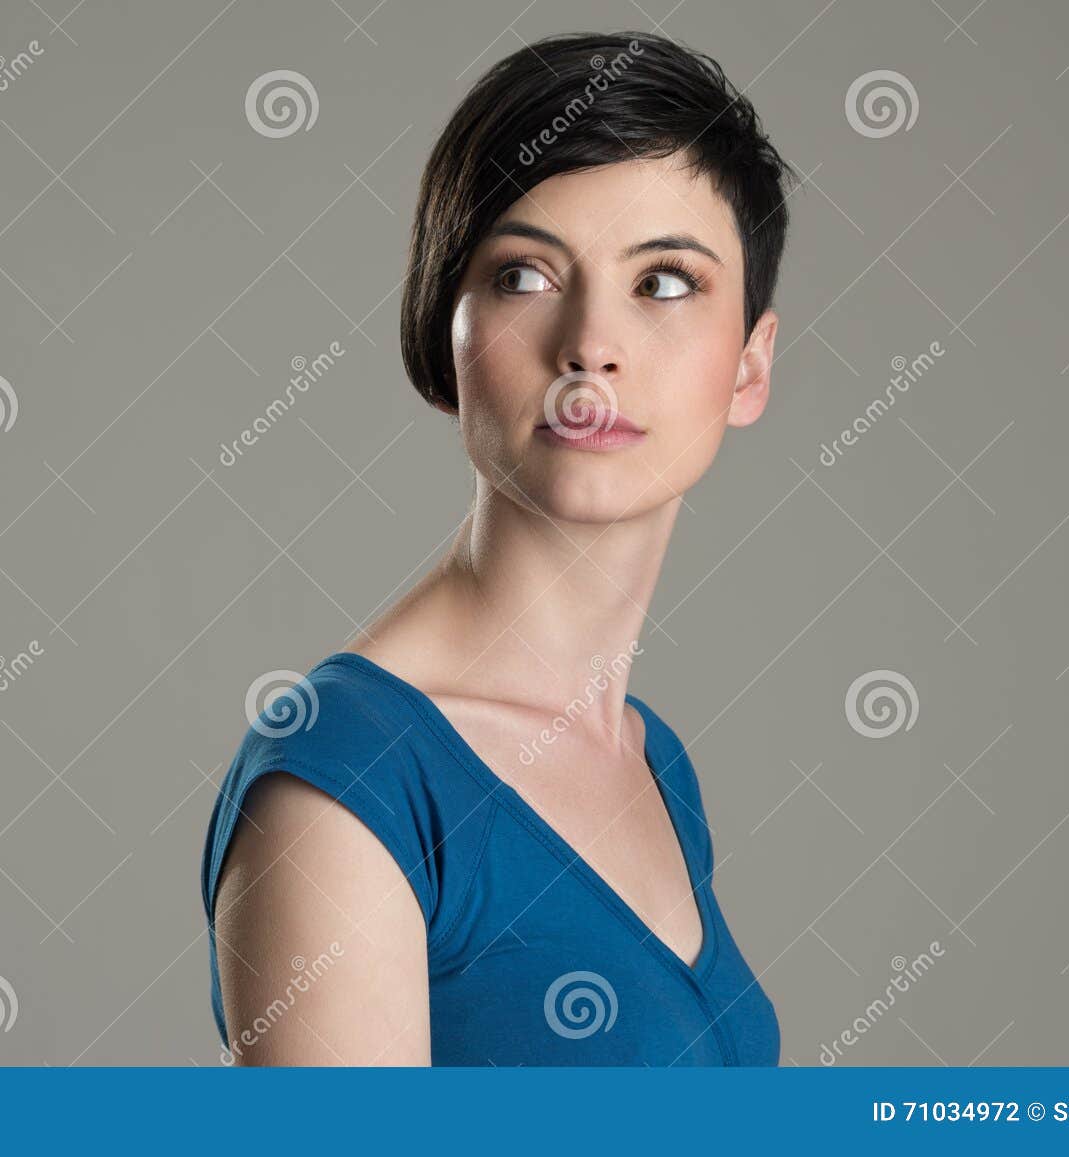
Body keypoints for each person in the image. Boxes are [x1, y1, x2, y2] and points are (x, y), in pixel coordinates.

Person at [202, 30, 794, 1065]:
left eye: (663, 283)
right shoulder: (349, 782)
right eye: (524, 273)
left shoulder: (652, 764)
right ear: (442, 338)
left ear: (748, 367)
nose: (589, 345)